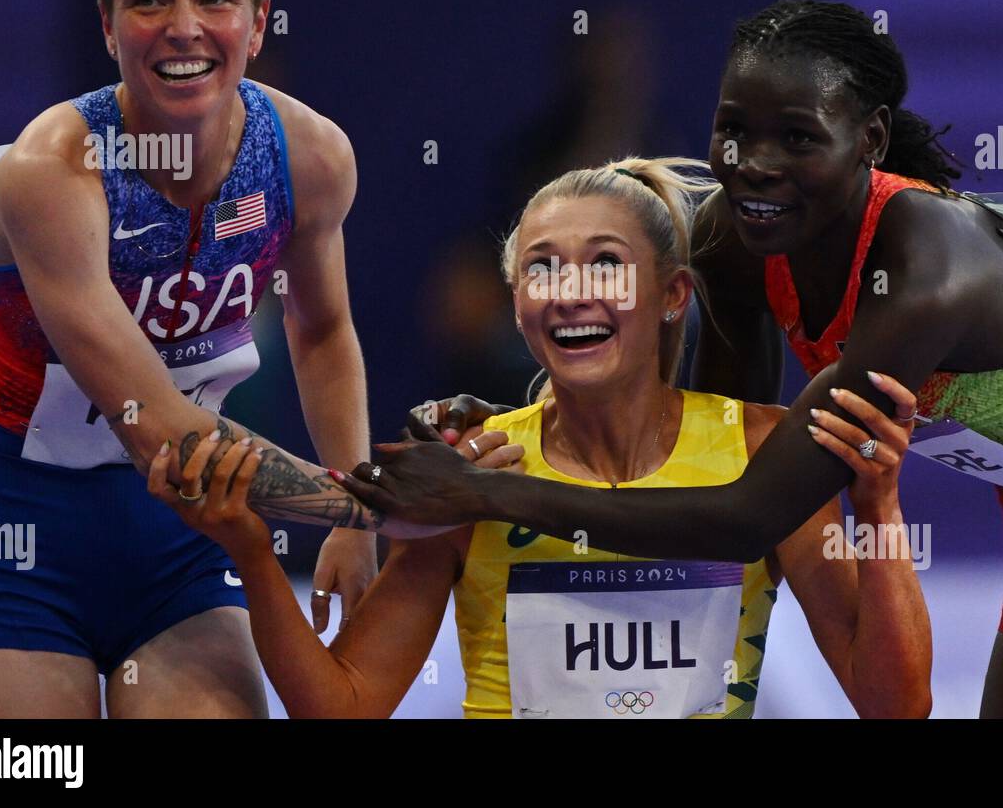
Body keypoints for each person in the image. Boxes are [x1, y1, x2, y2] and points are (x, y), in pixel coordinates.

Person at [348, 0, 1003, 719]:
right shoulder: (738, 243)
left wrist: (485, 493)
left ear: (871, 142)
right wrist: (497, 432)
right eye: (735, 132)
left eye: (798, 139)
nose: (755, 167)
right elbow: (708, 451)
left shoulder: (931, 268)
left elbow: (743, 516)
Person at [151, 158, 932, 718]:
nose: (571, 293)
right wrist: (253, 553)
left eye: (605, 264)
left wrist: (882, 508)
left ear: (672, 296)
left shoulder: (762, 455)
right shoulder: (471, 467)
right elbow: (342, 705)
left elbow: (896, 706)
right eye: (543, 269)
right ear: (517, 302)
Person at [0, 0, 384, 718]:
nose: (184, 29)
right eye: (148, 1)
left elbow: (322, 331)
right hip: (15, 534)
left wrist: (359, 506)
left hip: (182, 537)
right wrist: (362, 506)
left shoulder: (311, 157)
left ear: (257, 26)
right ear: (106, 26)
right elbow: (161, 434)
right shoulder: (53, 169)